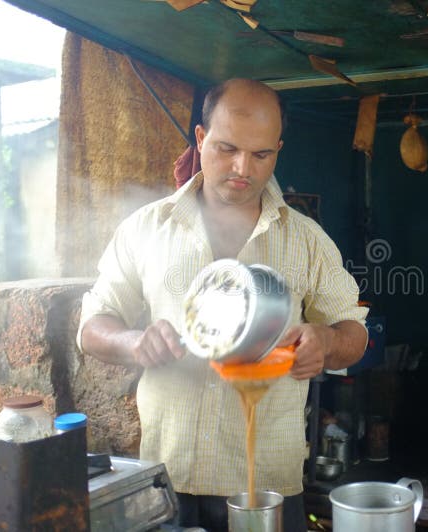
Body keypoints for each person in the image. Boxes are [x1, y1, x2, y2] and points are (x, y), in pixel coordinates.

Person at [77, 78, 368, 531]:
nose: (242, 168)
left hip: (266, 490)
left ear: (278, 149)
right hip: (168, 484)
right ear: (199, 138)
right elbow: (93, 325)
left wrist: (326, 341)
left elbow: (354, 330)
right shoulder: (147, 228)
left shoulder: (307, 240)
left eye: (261, 155)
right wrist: (135, 342)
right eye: (227, 148)